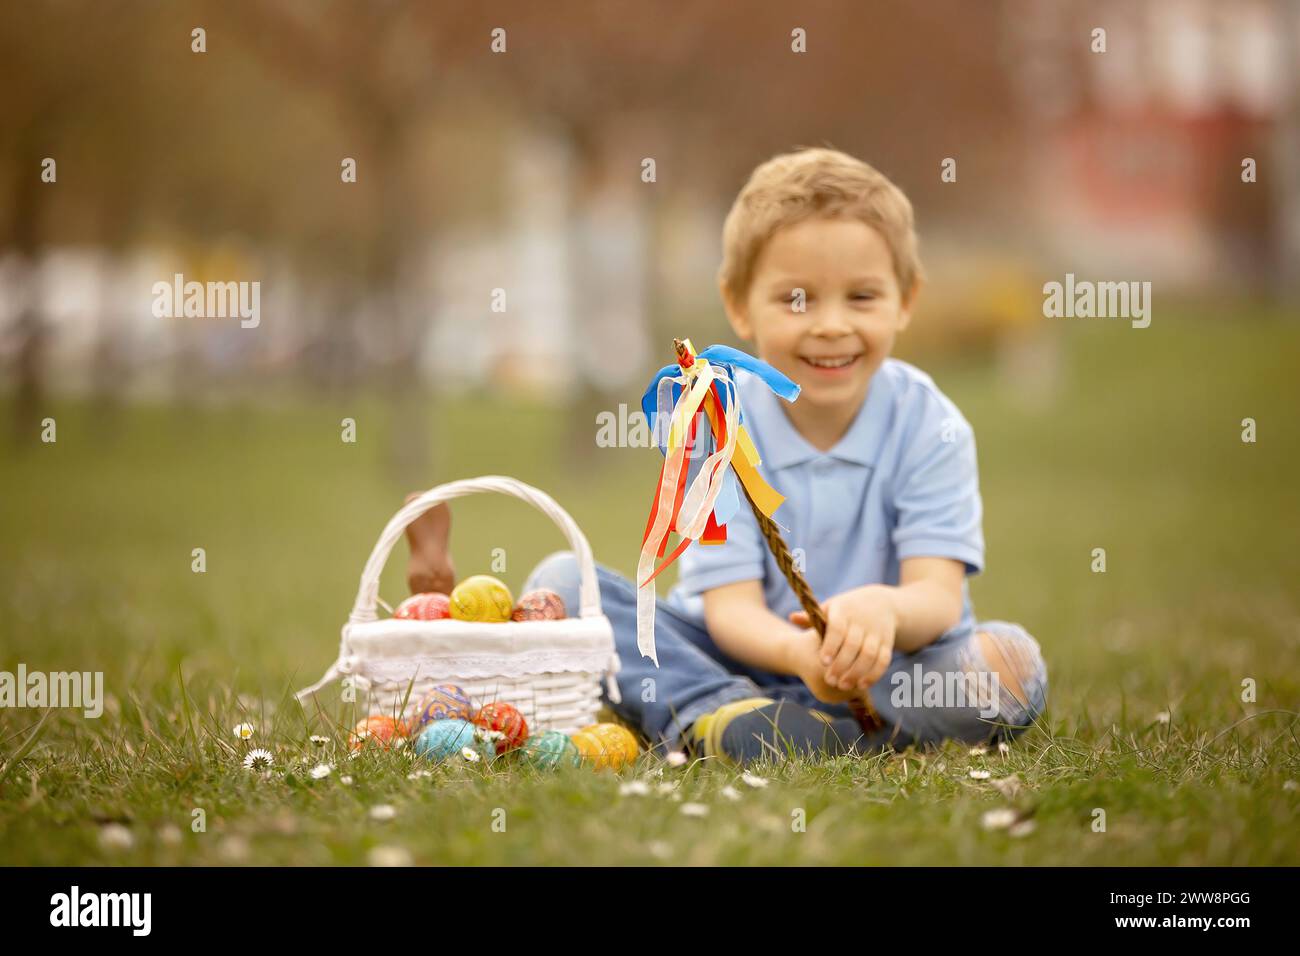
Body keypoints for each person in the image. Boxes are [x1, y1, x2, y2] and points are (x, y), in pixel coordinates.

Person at [406, 147, 1047, 764]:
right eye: (796, 298)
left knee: (1012, 669)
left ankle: (812, 725)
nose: (829, 324)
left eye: (861, 296)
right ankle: (724, 712)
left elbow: (935, 596)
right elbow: (731, 610)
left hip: (890, 669)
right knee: (562, 585)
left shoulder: (929, 425)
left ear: (905, 298)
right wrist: (800, 657)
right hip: (733, 655)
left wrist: (884, 612)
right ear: (740, 304)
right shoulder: (714, 419)